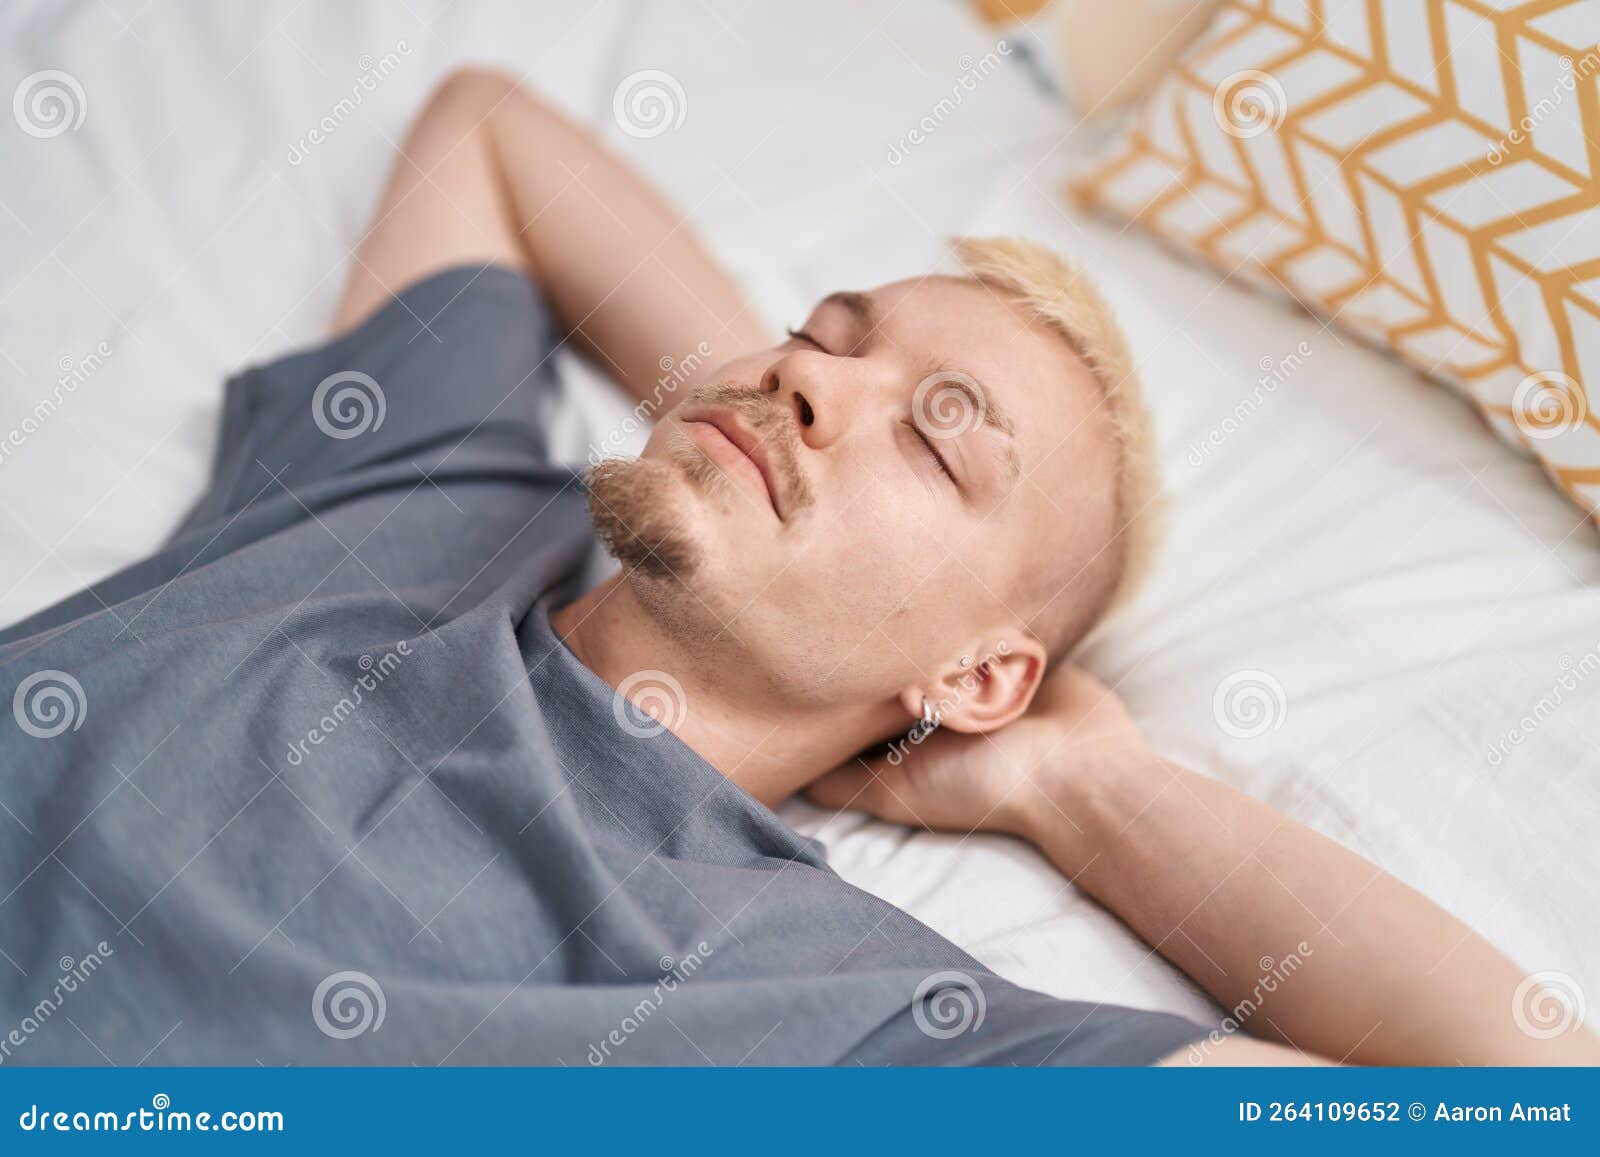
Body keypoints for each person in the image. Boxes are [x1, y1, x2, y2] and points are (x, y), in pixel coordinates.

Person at [1, 67, 1593, 1068]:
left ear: (978, 675)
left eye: (938, 441)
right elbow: (487, 126)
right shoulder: (420, 477)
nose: (817, 378)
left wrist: (1077, 790)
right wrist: (742, 403)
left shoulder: (829, 1006)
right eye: (825, 334)